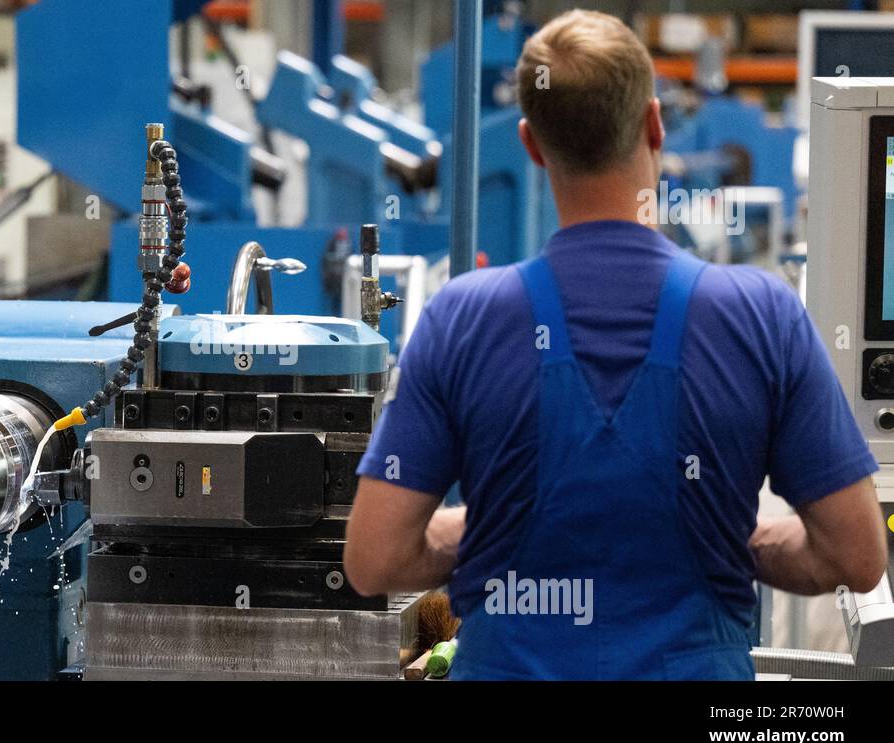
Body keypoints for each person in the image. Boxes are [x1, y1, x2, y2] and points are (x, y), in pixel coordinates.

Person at [343, 9, 888, 680]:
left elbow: (375, 559)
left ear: (531, 144)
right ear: (655, 125)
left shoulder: (462, 317)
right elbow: (857, 557)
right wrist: (720, 532)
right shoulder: (760, 314)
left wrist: (488, 528)